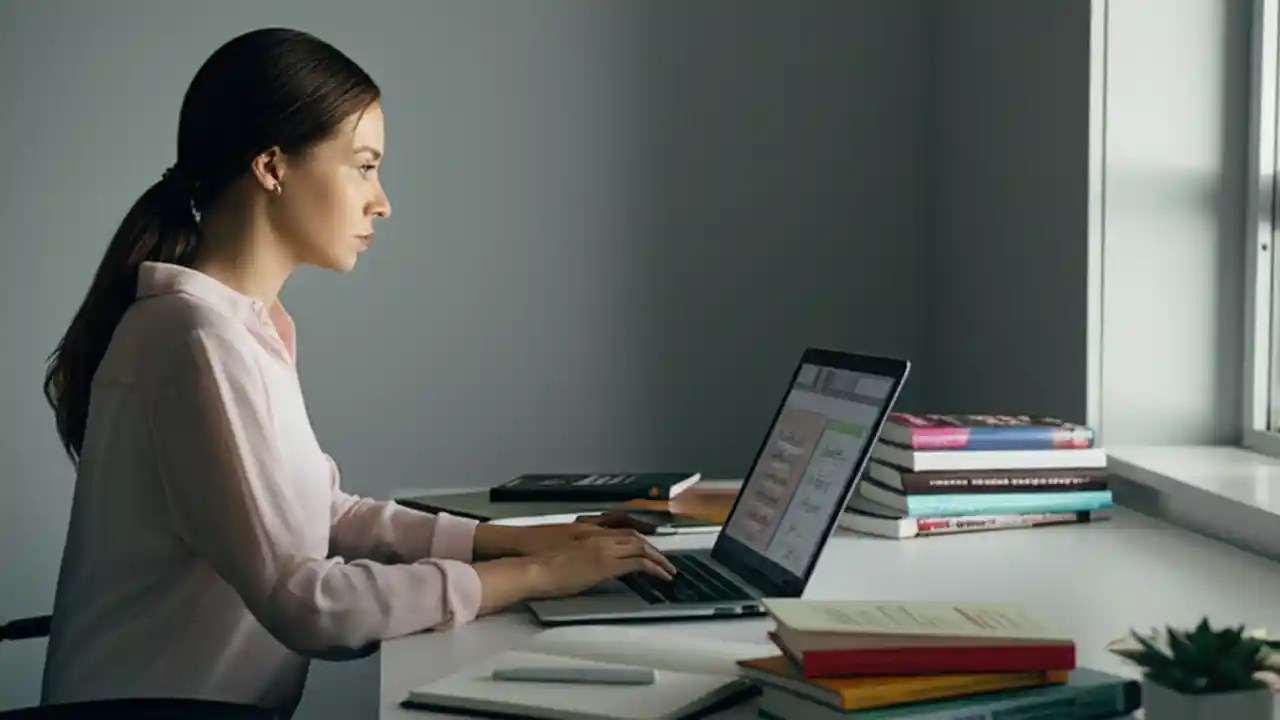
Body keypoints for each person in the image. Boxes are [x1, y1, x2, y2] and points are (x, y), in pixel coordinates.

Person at [38, 27, 676, 718]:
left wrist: (515, 542)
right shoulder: (195, 342)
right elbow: (303, 601)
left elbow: (323, 513)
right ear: (273, 167)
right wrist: (533, 576)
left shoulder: (245, 328)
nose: (382, 200)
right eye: (364, 165)